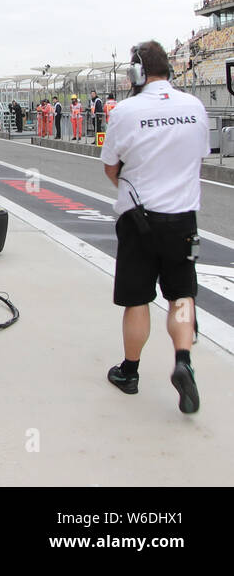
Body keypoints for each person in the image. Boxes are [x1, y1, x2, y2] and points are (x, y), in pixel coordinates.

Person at [101, 42, 208, 414]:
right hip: (182, 218)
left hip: (138, 218)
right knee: (181, 294)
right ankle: (183, 360)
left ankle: (130, 372)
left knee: (137, 298)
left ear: (136, 74)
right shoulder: (194, 107)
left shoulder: (126, 111)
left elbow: (111, 167)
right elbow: (198, 155)